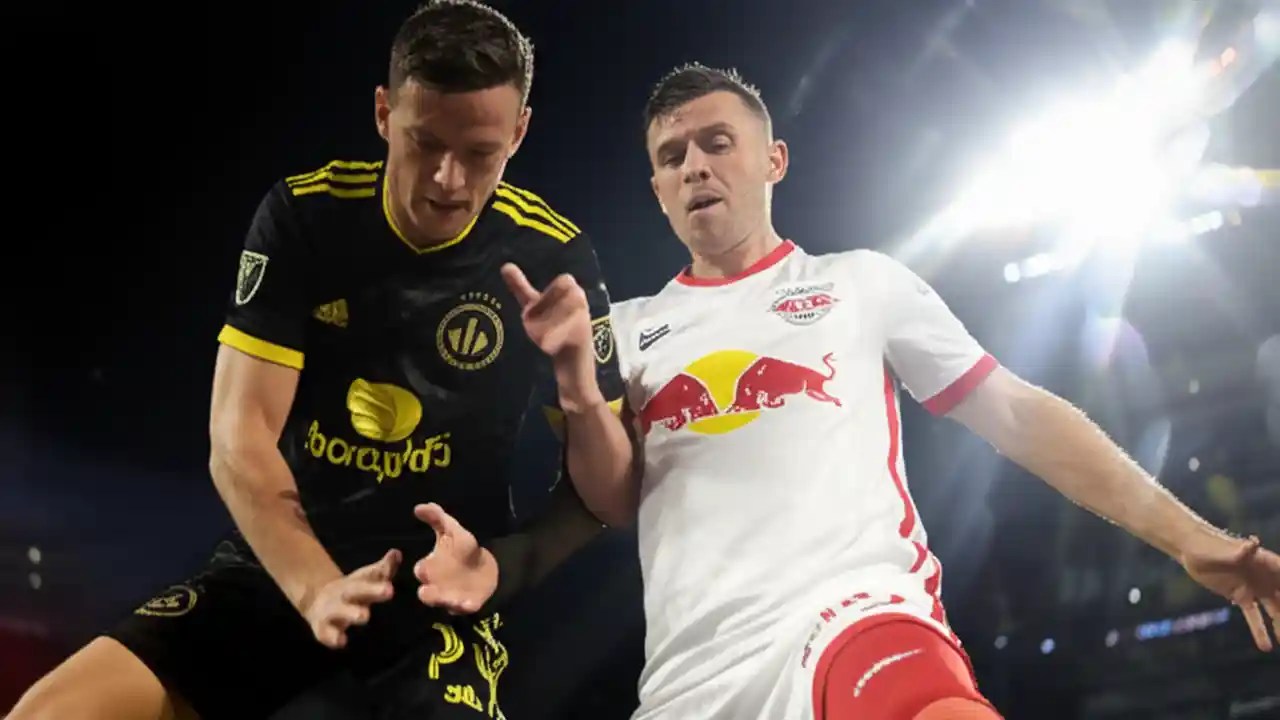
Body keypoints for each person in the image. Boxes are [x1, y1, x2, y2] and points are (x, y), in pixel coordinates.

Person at [576, 64, 1280, 719]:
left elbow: (1015, 413)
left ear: (773, 161)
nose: (695, 165)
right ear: (658, 190)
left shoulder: (858, 283)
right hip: (688, 683)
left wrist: (1190, 539)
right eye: (673, 158)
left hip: (852, 621)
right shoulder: (623, 333)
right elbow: (610, 499)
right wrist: (577, 388)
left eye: (717, 143)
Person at [9, 2, 631, 719]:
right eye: (424, 143)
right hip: (282, 561)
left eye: (481, 154)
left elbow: (610, 498)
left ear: (519, 133)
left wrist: (580, 389)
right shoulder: (305, 217)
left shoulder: (553, 256)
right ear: (381, 112)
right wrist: (313, 586)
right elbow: (238, 436)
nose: (447, 182)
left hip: (436, 590)